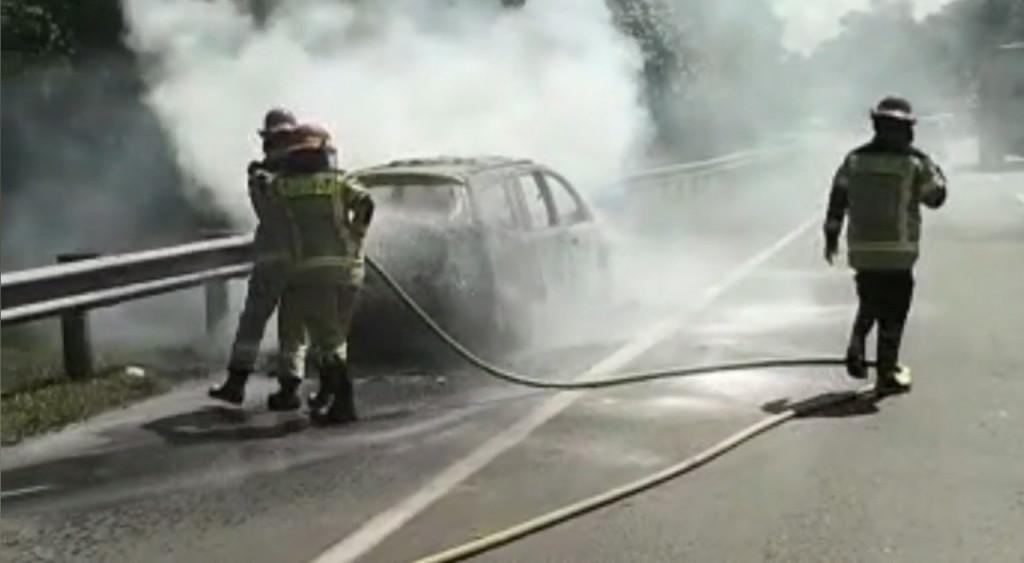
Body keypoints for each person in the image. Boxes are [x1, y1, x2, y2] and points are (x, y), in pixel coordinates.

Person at [823, 95, 948, 394]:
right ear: (907, 130)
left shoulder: (854, 159)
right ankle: (886, 372)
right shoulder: (914, 162)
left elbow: (837, 199)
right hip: (899, 253)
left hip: (862, 251)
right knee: (895, 310)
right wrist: (934, 166)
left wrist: (831, 237)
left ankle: (857, 341)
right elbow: (936, 198)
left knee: (870, 298)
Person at [265, 122, 375, 423]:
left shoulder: (280, 187)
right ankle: (336, 398)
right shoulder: (339, 182)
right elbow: (366, 203)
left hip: (309, 273)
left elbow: (275, 228)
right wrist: (357, 234)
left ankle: (344, 403)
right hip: (349, 270)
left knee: (326, 340)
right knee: (336, 336)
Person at [208, 108, 311, 411]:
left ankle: (251, 385)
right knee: (285, 325)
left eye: (281, 139)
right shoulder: (267, 175)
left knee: (266, 323)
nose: (276, 145)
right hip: (295, 260)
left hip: (276, 260)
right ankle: (275, 387)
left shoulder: (276, 175)